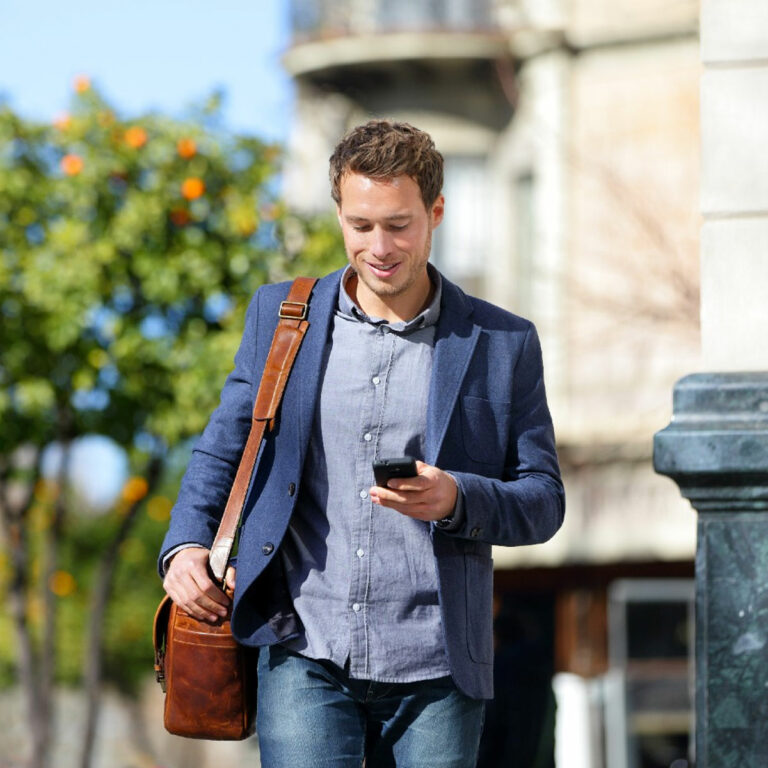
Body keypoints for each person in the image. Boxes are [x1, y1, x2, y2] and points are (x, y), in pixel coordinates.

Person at [159, 120, 565, 768]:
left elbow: (543, 501)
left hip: (439, 668)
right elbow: (224, 445)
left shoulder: (502, 343)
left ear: (436, 212)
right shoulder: (280, 316)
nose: (379, 246)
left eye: (399, 225)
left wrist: (456, 497)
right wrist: (185, 545)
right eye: (361, 225)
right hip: (303, 647)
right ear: (340, 215)